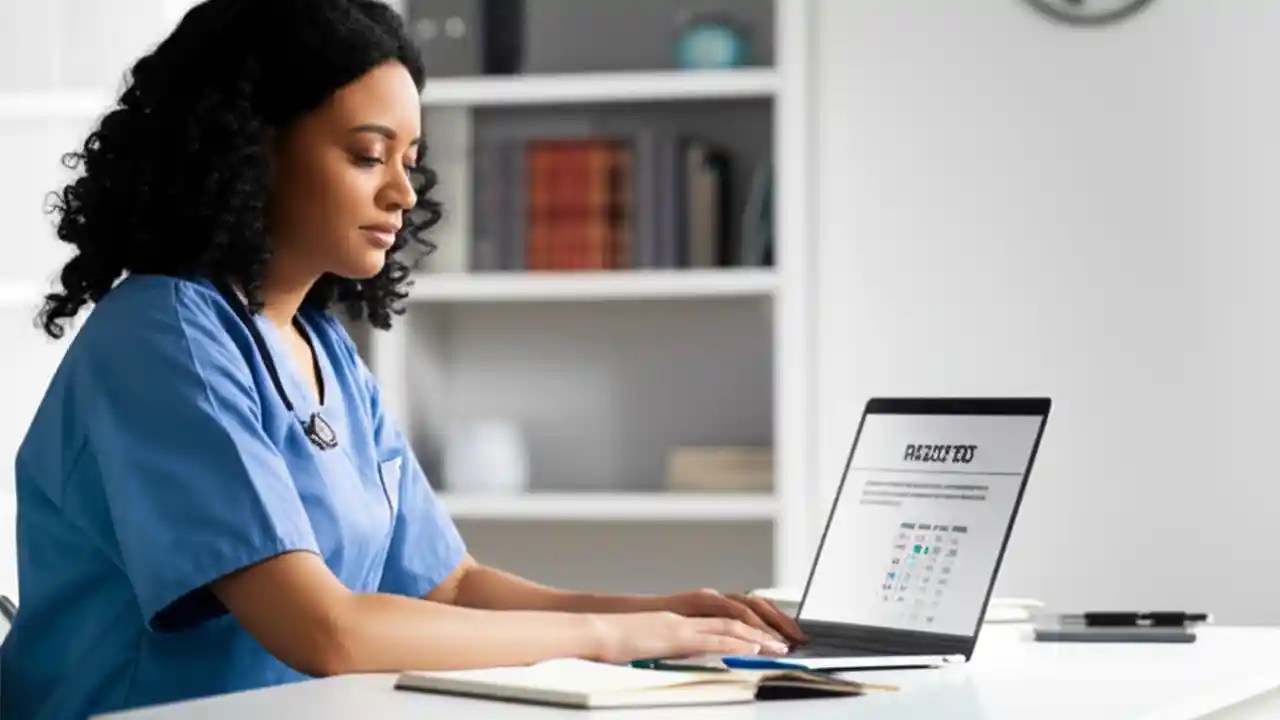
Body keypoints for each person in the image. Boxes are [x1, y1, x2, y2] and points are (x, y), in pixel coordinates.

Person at [0, 1, 804, 717]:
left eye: (408, 159)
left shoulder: (324, 350)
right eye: (365, 155)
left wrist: (668, 615)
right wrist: (615, 636)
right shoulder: (163, 335)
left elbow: (447, 585)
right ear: (252, 152)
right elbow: (327, 631)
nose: (404, 193)